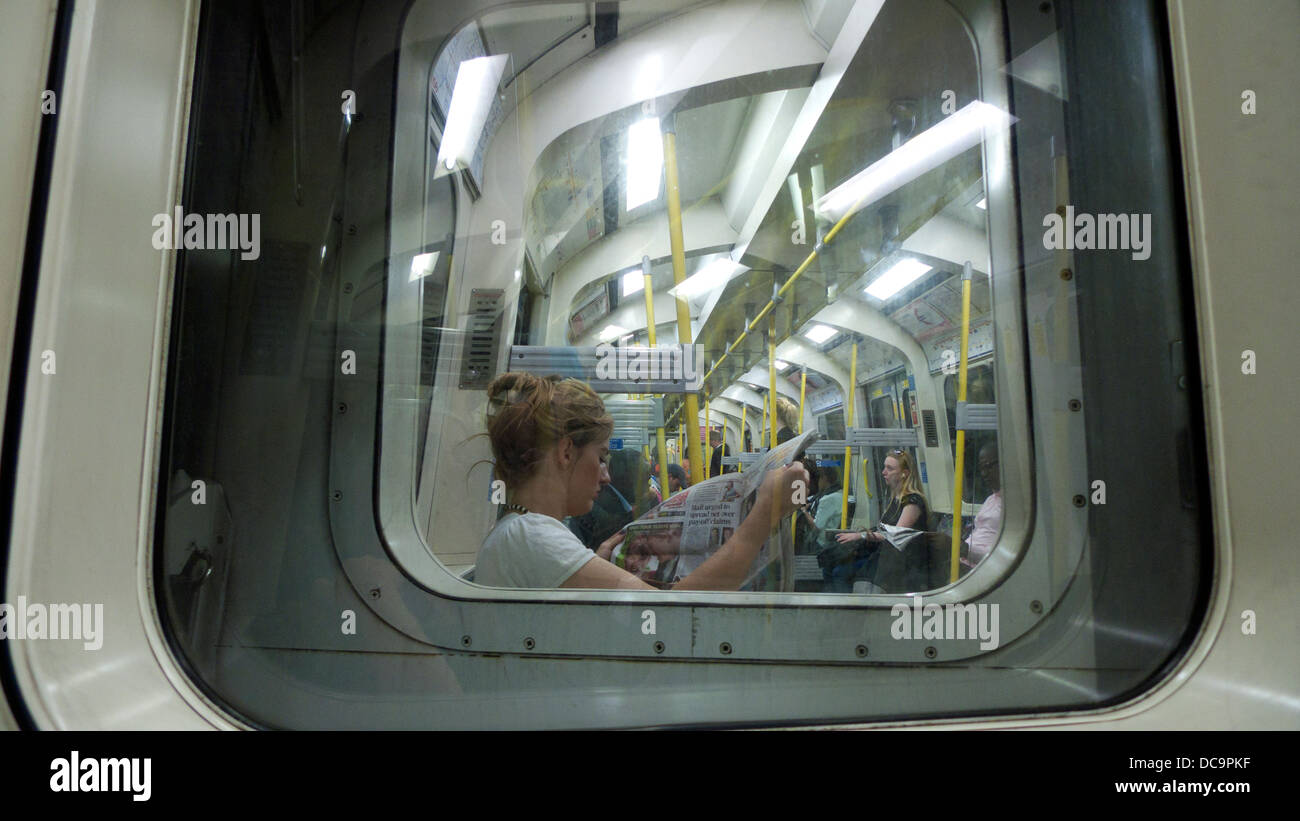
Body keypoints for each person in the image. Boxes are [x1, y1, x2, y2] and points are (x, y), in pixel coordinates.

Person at [475, 373, 808, 590]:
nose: (605, 476)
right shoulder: (533, 536)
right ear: (565, 453)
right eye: (601, 458)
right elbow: (669, 615)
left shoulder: (519, 532)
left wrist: (594, 561)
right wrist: (764, 514)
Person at [825, 449, 928, 590]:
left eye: (890, 469)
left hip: (901, 560)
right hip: (885, 554)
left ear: (905, 473)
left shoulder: (913, 502)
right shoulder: (894, 498)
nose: (883, 472)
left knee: (841, 574)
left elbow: (895, 535)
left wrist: (860, 535)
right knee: (834, 566)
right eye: (884, 467)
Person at [962, 443, 1001, 567]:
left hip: (981, 569)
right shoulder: (990, 500)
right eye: (981, 468)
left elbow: (1002, 558)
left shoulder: (1016, 504)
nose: (984, 474)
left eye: (988, 467)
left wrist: (964, 550)